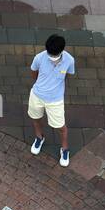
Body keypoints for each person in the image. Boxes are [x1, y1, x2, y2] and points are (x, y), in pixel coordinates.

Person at [27, 34, 75, 168]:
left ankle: (64, 149)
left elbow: (67, 75)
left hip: (56, 100)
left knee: (61, 127)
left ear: (61, 51)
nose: (51, 56)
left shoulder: (69, 60)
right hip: (37, 95)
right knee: (35, 118)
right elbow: (34, 72)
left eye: (54, 54)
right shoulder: (39, 58)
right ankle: (39, 138)